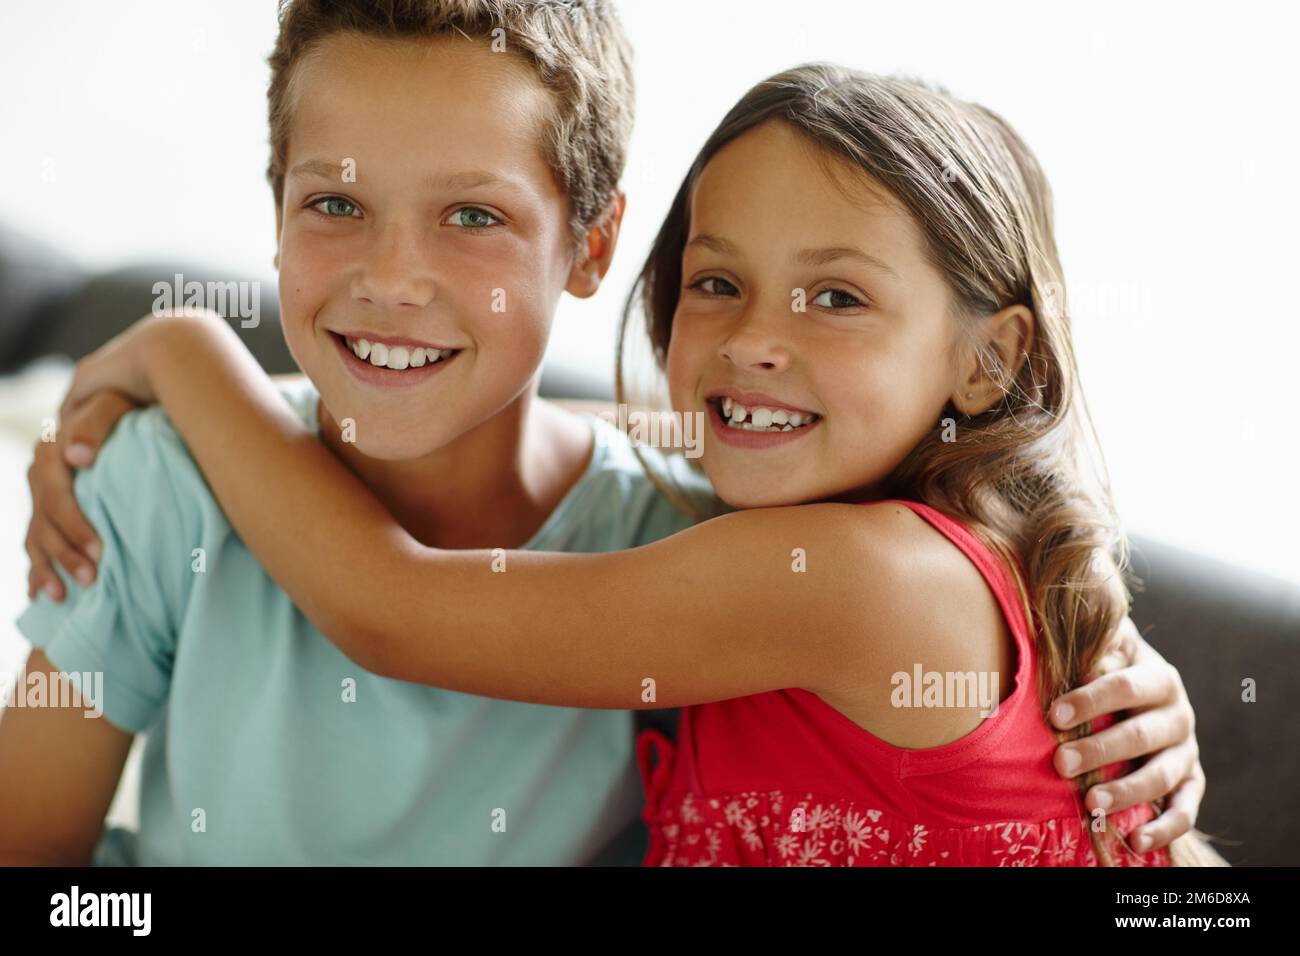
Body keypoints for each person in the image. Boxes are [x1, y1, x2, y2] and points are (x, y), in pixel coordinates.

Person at [14, 61, 1211, 865]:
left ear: (988, 361)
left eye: (836, 297)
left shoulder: (852, 577)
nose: (754, 342)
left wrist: (188, 348)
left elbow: (389, 608)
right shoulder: (783, 532)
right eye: (715, 284)